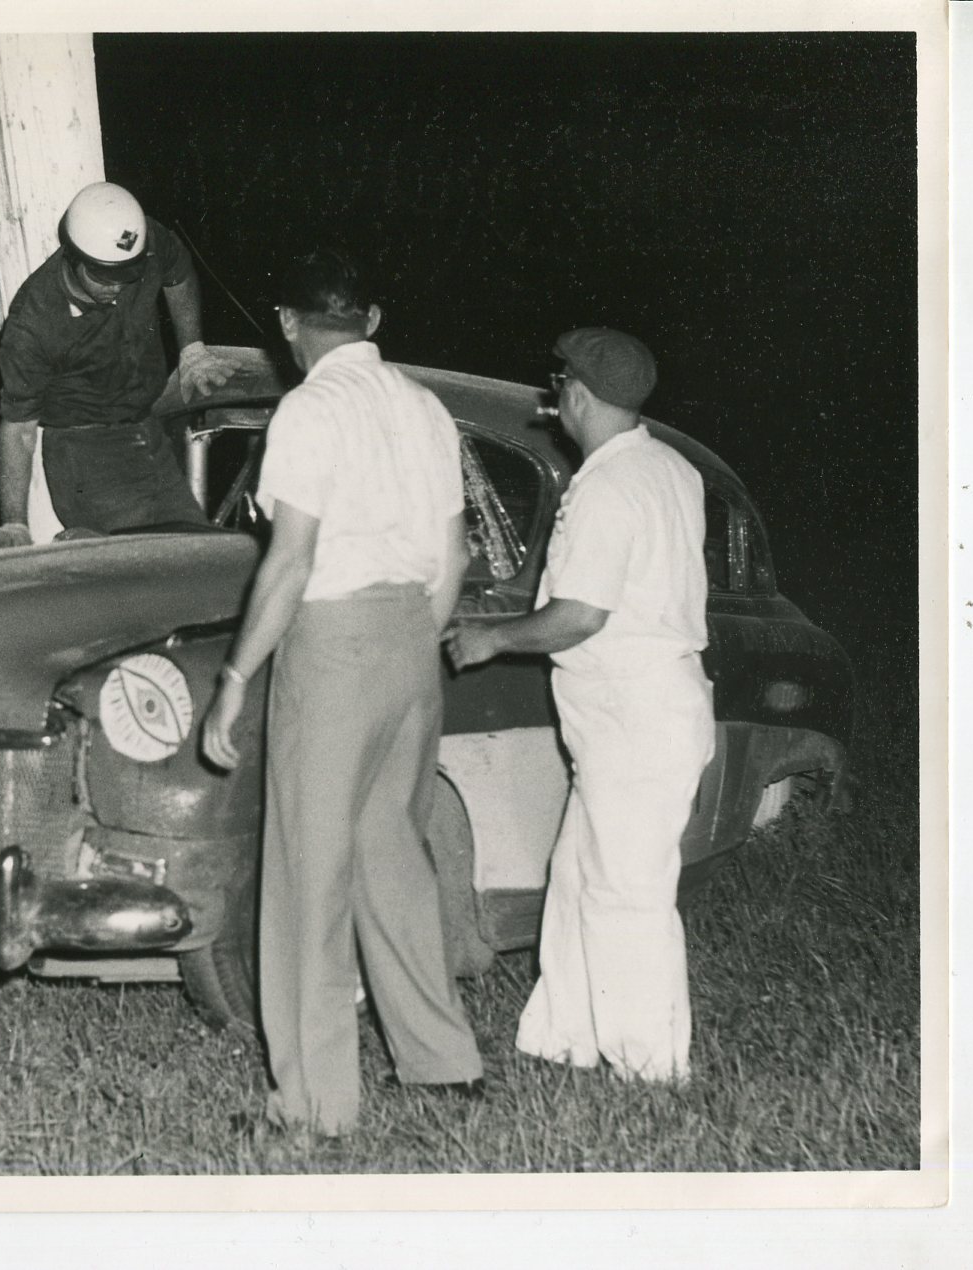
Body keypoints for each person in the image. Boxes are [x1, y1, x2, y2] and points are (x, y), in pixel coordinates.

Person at [201, 249, 485, 1140]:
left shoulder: (308, 410)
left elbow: (289, 562)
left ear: (289, 325)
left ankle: (313, 1107)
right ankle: (442, 1066)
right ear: (370, 319)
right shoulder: (423, 406)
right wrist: (412, 635)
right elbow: (455, 557)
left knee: (304, 876)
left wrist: (236, 677)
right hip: (412, 635)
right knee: (393, 857)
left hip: (335, 643)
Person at [444, 327, 714, 1084]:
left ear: (581, 395)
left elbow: (578, 615)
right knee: (576, 875)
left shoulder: (607, 485)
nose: (554, 394)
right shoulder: (669, 467)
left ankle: (647, 1066)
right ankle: (564, 1036)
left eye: (559, 382)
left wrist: (491, 638)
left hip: (632, 710)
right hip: (641, 708)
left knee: (625, 890)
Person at [0, 181, 236, 547]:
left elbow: (177, 269)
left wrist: (192, 349)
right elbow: (18, 430)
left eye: (128, 274)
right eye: (106, 277)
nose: (119, 286)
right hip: (84, 452)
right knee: (146, 563)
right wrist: (14, 524)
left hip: (148, 432)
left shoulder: (139, 243)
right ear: (73, 256)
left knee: (198, 550)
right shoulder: (32, 323)